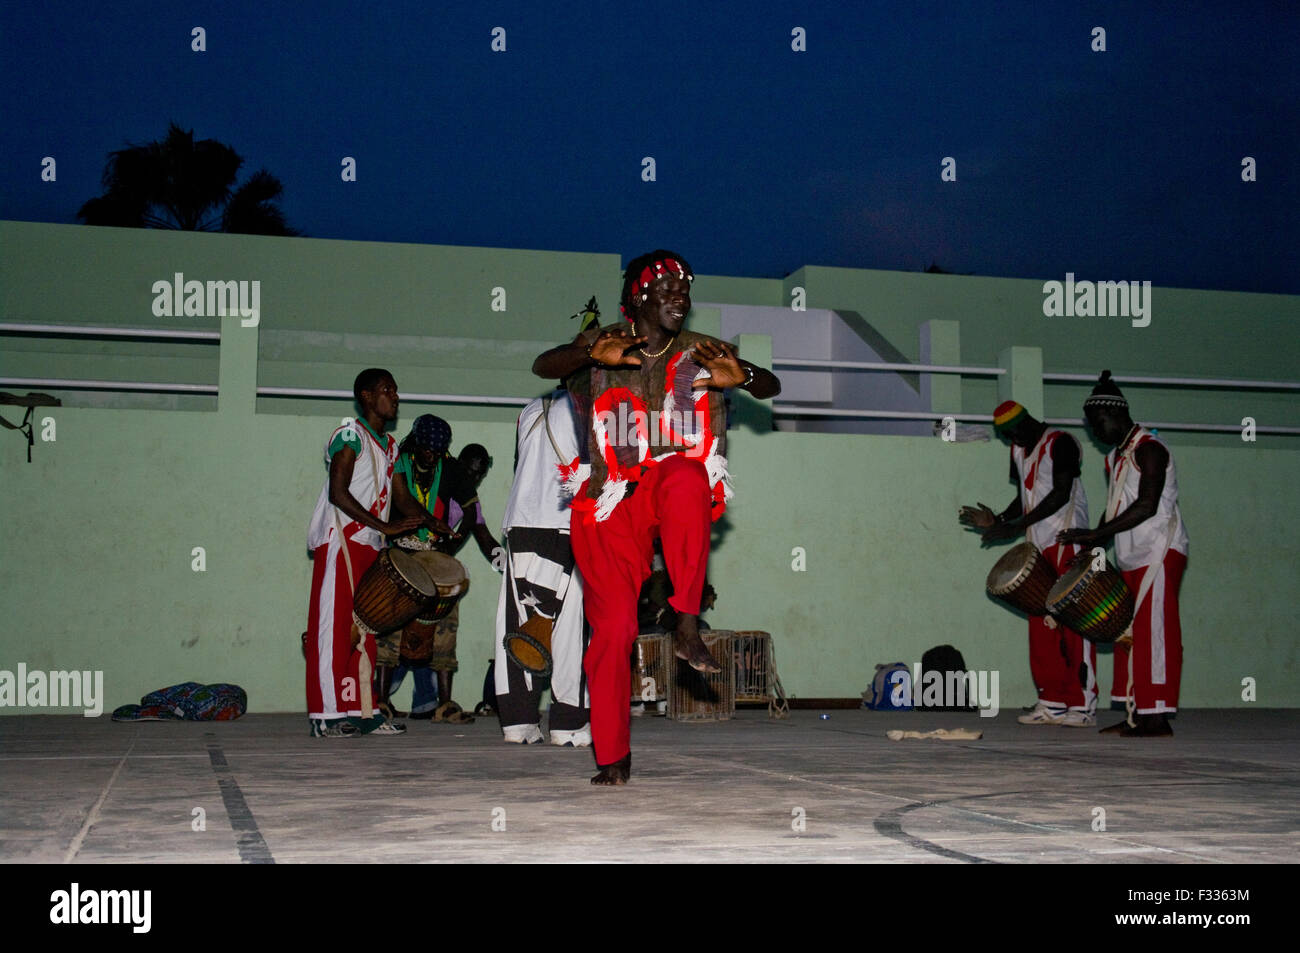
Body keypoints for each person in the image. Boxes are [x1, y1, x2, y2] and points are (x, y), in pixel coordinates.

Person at [532, 249, 781, 784]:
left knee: (687, 477)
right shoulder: (606, 342)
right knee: (614, 630)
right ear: (639, 296)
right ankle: (613, 756)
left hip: (665, 489)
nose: (680, 301)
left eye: (685, 294)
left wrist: (747, 374)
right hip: (607, 501)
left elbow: (769, 386)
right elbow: (544, 365)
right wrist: (590, 352)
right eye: (668, 292)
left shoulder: (702, 351)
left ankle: (685, 622)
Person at [1058, 371, 1189, 737]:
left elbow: (1147, 505)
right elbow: (1115, 509)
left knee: (1155, 633)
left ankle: (1158, 716)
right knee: (1126, 634)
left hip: (1159, 551)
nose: (1096, 432)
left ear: (1116, 414)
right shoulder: (1117, 457)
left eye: (1098, 423)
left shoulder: (1149, 448)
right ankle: (1137, 712)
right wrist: (1092, 549)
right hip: (1131, 555)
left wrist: (1097, 533)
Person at [959, 402, 1096, 726]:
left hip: (1067, 539)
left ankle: (1083, 704)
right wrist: (1001, 520)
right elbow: (1025, 496)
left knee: (1075, 623)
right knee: (1041, 624)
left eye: (1011, 434)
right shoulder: (1019, 450)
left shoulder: (1061, 442)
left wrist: (1017, 525)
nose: (1011, 441)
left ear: (1024, 424)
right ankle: (1052, 702)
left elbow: (1061, 493)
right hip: (1037, 546)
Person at [305, 369, 423, 737]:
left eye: (396, 389)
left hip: (370, 547)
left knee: (365, 631)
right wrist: (385, 526)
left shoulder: (391, 448)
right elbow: (338, 493)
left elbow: (401, 498)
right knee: (333, 630)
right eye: (388, 390)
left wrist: (430, 522)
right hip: (340, 541)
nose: (396, 396)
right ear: (366, 396)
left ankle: (363, 712)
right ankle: (325, 715)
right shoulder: (349, 435)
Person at [493, 389, 591, 745]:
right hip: (566, 519)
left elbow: (521, 460)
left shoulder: (531, 406)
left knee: (520, 620)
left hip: (521, 522)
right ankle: (568, 724)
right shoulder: (591, 405)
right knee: (570, 627)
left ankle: (518, 722)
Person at [386, 420, 501, 723]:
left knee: (442, 626)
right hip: (404, 554)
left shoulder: (458, 484)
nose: (474, 477)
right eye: (471, 470)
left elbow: (480, 527)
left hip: (434, 562)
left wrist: (506, 562)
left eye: (481, 473)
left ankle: (436, 704)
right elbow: (401, 501)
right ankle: (382, 699)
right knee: (396, 629)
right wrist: (430, 527)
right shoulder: (409, 466)